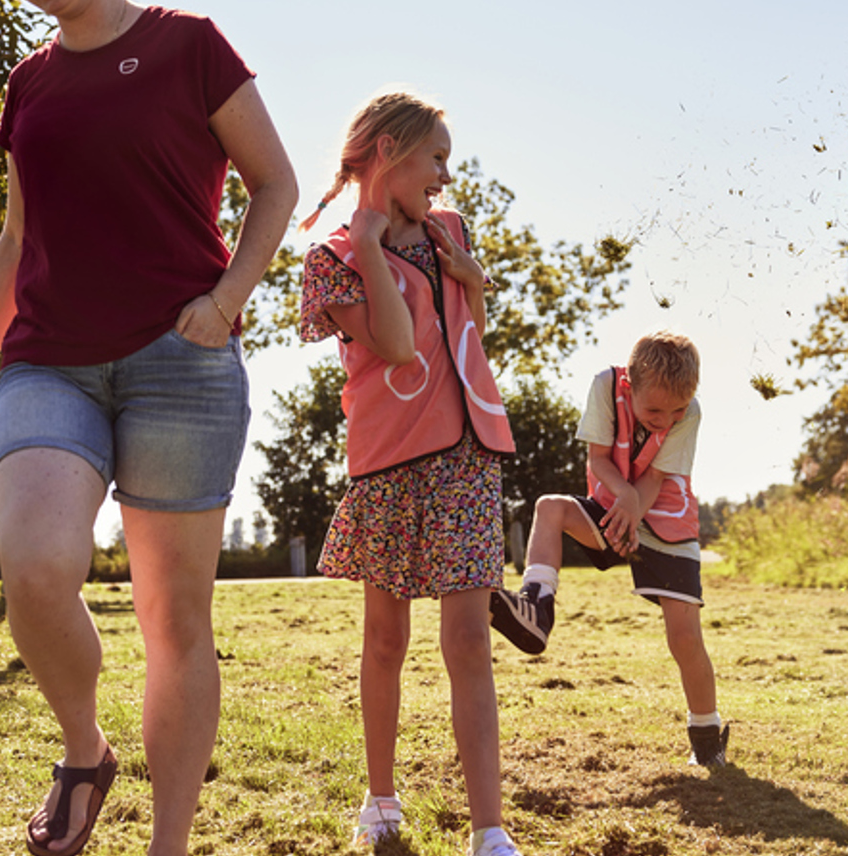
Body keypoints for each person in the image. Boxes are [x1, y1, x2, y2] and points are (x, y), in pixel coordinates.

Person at [0, 0, 298, 856]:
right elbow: (20, 234)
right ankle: (83, 749)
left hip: (179, 364)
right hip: (49, 360)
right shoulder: (28, 85)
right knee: (35, 567)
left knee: (173, 620)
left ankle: (170, 844)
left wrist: (231, 298)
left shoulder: (190, 46)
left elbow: (273, 185)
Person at [298, 91, 524, 856]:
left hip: (467, 455)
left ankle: (488, 829)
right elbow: (396, 347)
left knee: (467, 639)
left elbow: (467, 340)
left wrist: (476, 283)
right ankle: (381, 800)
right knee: (385, 638)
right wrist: (366, 246)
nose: (445, 179)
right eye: (436, 160)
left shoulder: (450, 231)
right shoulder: (329, 260)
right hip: (389, 461)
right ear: (390, 153)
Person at [489, 331, 729, 767]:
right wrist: (623, 501)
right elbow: (599, 459)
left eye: (675, 409)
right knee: (551, 508)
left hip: (669, 526)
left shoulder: (689, 412)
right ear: (629, 387)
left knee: (684, 637)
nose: (666, 418)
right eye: (654, 409)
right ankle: (537, 608)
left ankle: (707, 740)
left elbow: (656, 479)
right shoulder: (605, 385)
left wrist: (633, 506)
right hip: (614, 508)